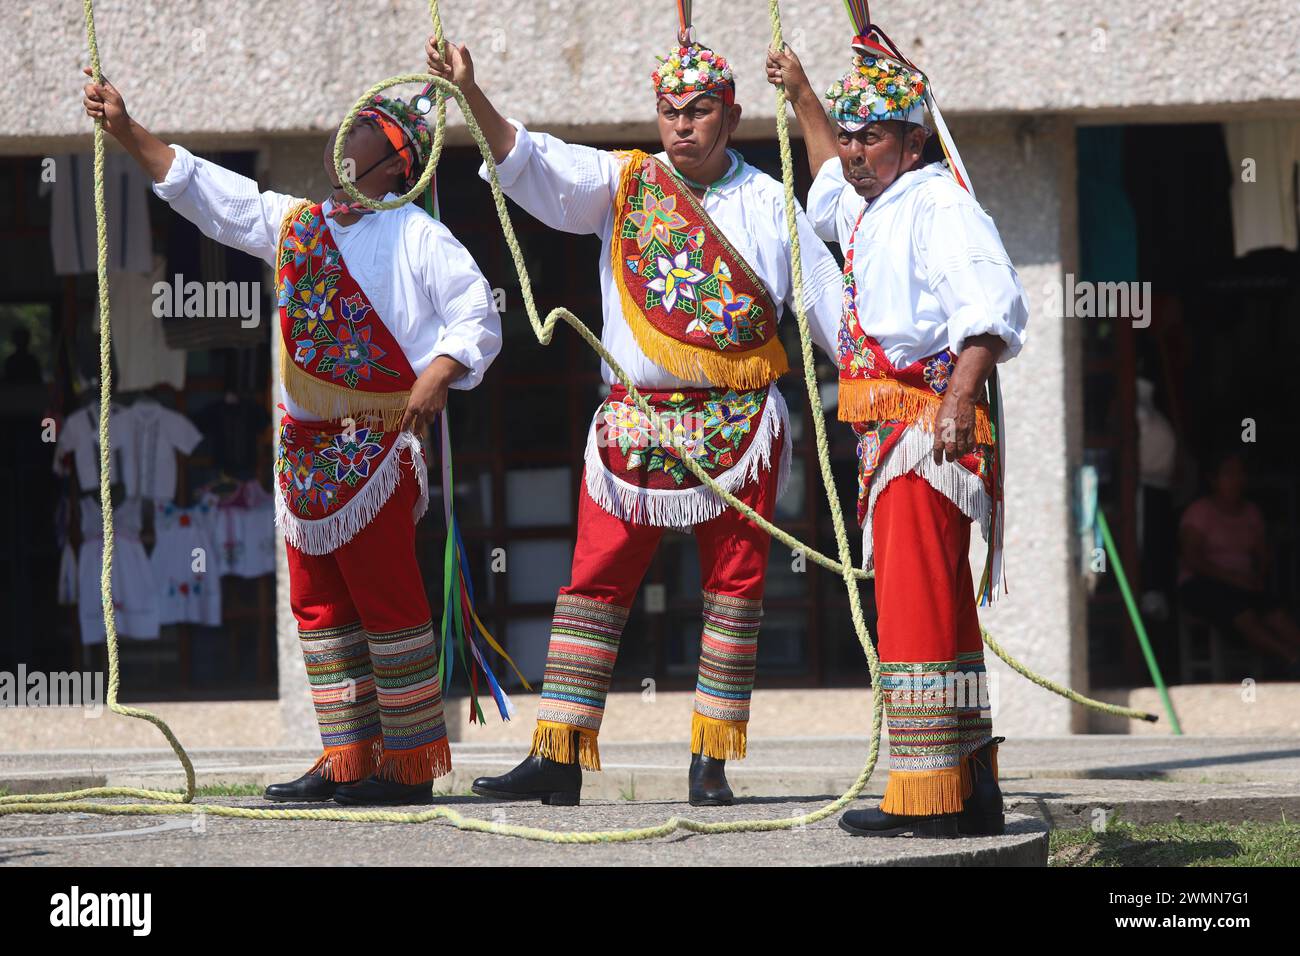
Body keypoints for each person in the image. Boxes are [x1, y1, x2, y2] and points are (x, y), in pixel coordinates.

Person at [427, 10, 844, 806]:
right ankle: (558, 756)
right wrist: (473, 94)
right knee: (594, 582)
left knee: (735, 586)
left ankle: (710, 760)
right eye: (670, 113)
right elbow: (528, 160)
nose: (681, 127)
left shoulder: (771, 202)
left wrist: (881, 384)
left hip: (739, 424)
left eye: (698, 112)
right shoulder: (625, 182)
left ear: (732, 113)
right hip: (637, 422)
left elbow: (828, 306)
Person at [82, 68, 502, 806]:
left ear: (394, 157)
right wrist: (127, 130)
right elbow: (210, 194)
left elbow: (478, 317)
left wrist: (439, 371)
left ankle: (406, 767)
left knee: (387, 600)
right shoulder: (297, 224)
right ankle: (346, 757)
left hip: (378, 449)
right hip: (304, 458)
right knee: (318, 607)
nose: (347, 141)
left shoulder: (419, 236)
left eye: (364, 131)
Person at [768, 3, 1028, 837]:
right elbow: (821, 173)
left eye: (869, 137)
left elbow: (987, 307)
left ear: (912, 141)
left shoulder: (936, 203)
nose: (851, 151)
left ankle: (926, 795)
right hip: (891, 439)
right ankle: (971, 789)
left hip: (927, 433)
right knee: (941, 608)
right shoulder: (866, 199)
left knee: (916, 605)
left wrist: (958, 400)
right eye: (848, 137)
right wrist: (807, 94)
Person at [1179, 451, 1300, 676]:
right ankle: (1291, 659)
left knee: (1276, 613)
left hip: (1242, 585)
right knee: (1243, 613)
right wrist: (1232, 578)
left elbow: (1263, 555)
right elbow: (1192, 559)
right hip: (1202, 585)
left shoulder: (1251, 513)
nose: (1237, 479)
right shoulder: (1199, 512)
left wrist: (1257, 577)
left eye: (1240, 473)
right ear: (1213, 479)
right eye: (1229, 474)